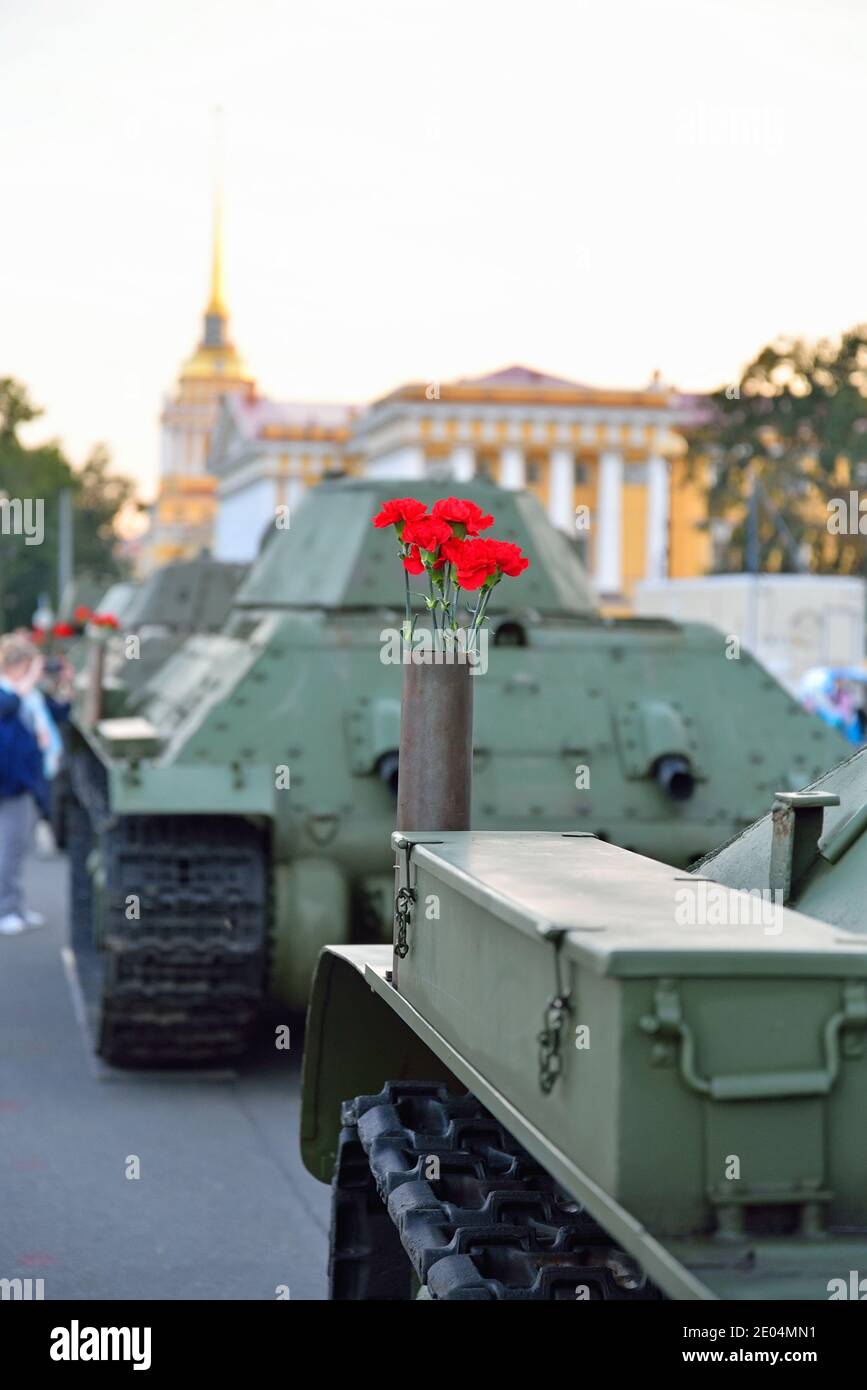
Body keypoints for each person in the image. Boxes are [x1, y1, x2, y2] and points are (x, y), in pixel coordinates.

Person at [0, 631, 71, 935]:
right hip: (9, 781)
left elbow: (59, 713)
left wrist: (65, 684)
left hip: (26, 779)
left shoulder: (27, 694)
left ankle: (15, 905)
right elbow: (9, 707)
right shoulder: (9, 693)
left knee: (19, 847)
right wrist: (27, 681)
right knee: (9, 846)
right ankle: (5, 910)